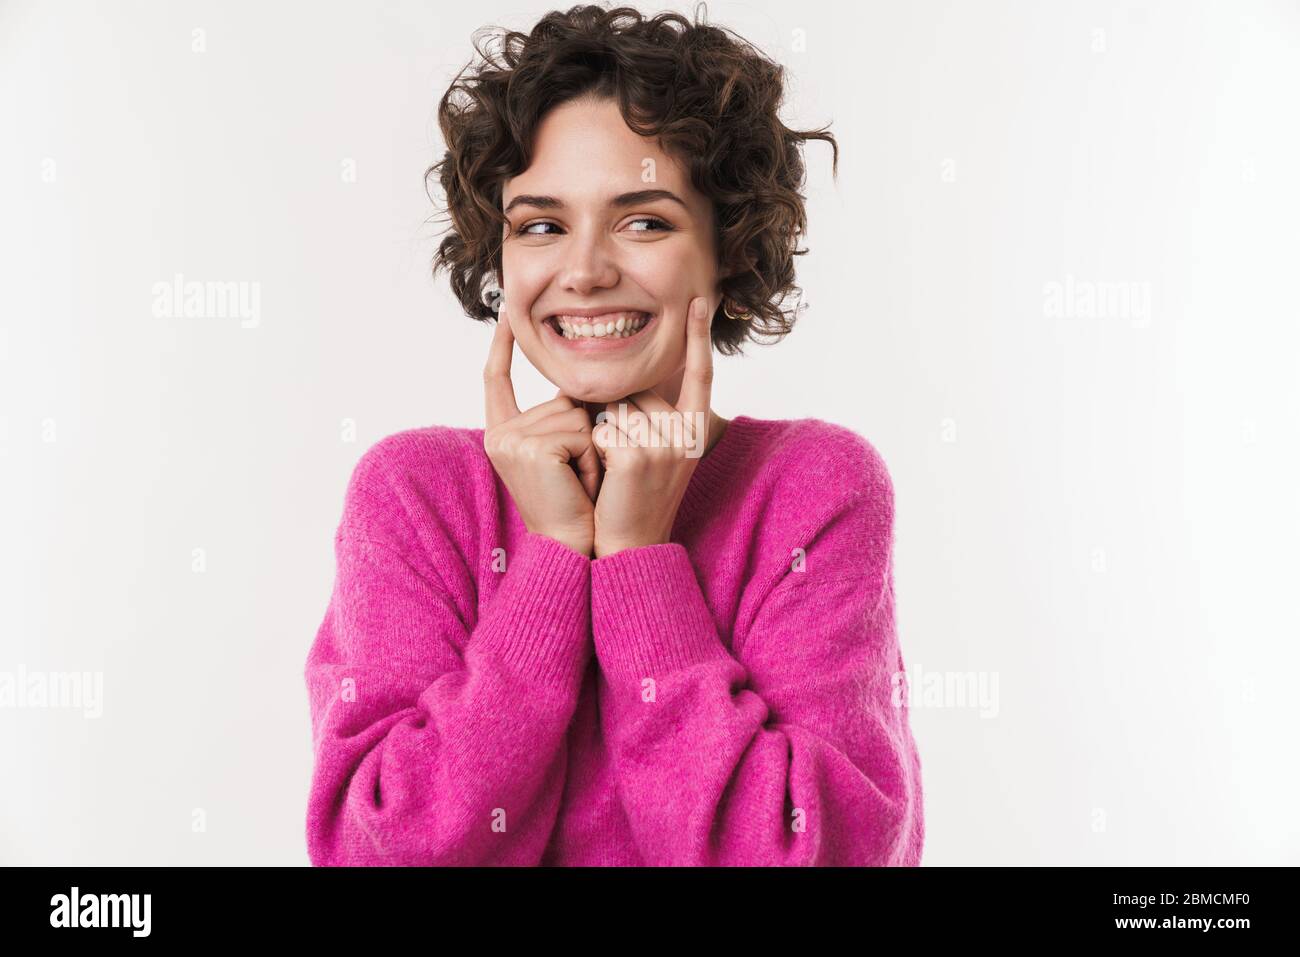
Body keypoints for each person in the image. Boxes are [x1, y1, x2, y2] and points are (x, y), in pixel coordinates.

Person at [304, 4, 923, 866]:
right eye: (542, 225)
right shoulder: (415, 492)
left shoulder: (815, 485)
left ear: (730, 257)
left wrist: (635, 559)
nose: (586, 271)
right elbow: (378, 852)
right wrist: (554, 557)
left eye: (644, 221)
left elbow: (811, 856)